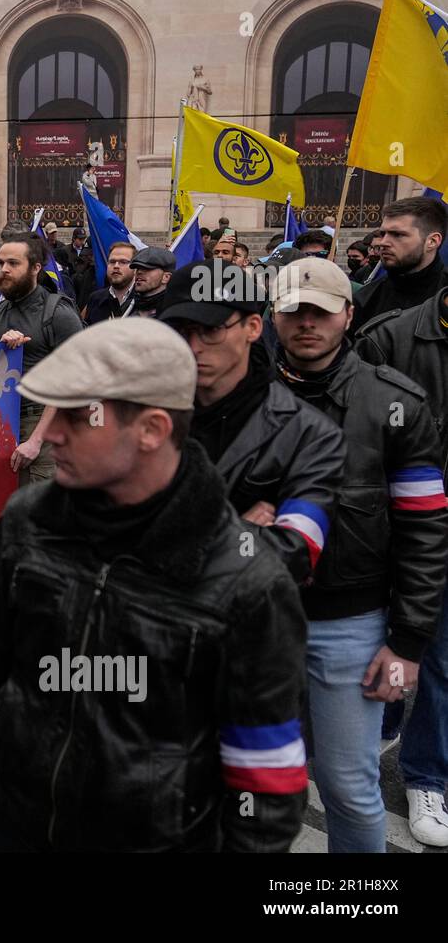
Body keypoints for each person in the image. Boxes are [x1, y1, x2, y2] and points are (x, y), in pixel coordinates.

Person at [0, 317, 309, 852]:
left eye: (78, 417)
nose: (51, 433)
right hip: (15, 828)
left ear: (152, 430)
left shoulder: (247, 581)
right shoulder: (27, 520)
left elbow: (266, 787)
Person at [270, 257, 448, 853]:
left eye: (321, 311)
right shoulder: (237, 398)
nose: (307, 323)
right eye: (294, 310)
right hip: (256, 624)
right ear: (275, 317)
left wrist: (409, 642)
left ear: (348, 315)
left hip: (351, 629)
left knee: (347, 786)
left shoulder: (395, 402)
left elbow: (424, 530)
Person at [159, 260, 344, 585]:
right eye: (181, 332)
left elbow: (297, 550)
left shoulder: (309, 433)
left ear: (254, 328)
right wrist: (231, 530)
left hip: (250, 613)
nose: (193, 346)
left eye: (211, 330)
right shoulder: (142, 415)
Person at [356, 279, 448, 847]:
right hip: (394, 523)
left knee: (442, 659)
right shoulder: (389, 337)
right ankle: (377, 728)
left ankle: (427, 777)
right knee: (383, 636)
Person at [0, 233, 84, 484]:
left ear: (36, 268)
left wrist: (36, 440)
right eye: (1, 263)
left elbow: (72, 380)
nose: (4, 269)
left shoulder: (58, 312)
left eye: (13, 263)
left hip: (43, 426)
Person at [353, 197, 448, 334]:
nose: (383, 242)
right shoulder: (365, 299)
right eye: (383, 234)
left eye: (397, 234)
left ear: (432, 241)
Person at [82, 241, 136, 324]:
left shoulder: (145, 300)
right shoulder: (95, 299)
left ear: (135, 268)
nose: (116, 266)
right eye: (112, 262)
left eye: (123, 262)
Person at [126, 247, 176, 317]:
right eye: (137, 268)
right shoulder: (126, 307)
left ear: (166, 277)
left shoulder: (176, 311)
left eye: (147, 268)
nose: (139, 272)